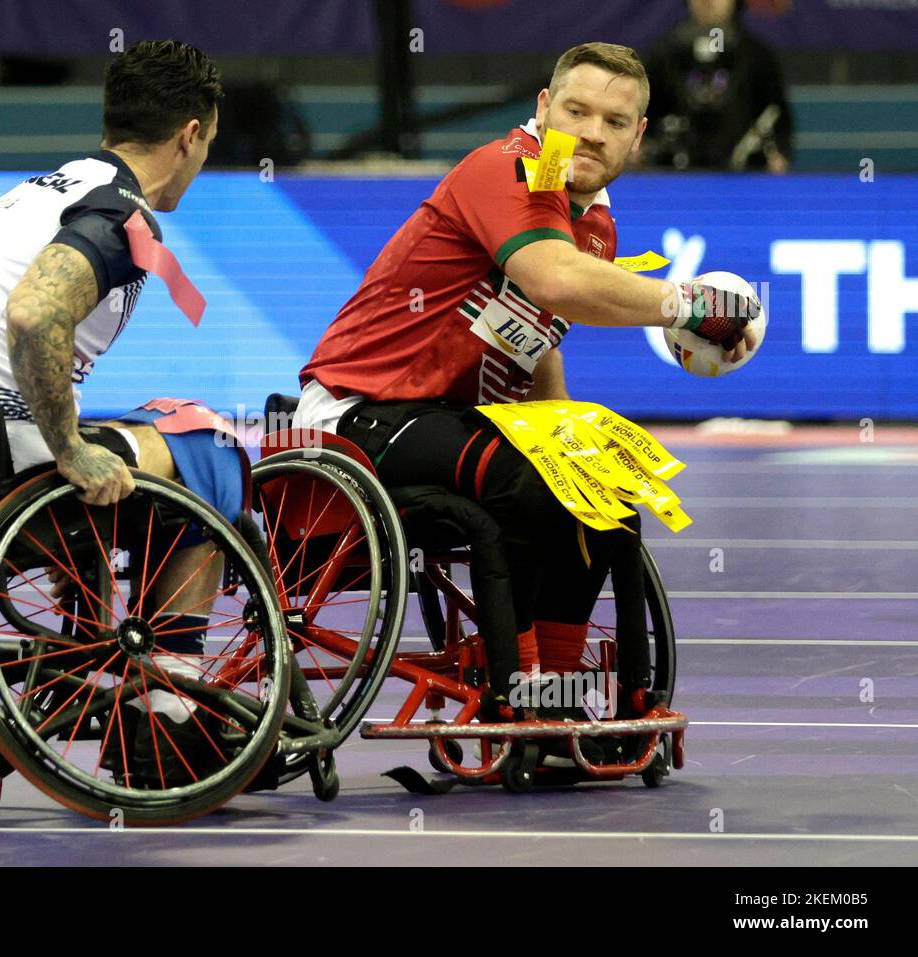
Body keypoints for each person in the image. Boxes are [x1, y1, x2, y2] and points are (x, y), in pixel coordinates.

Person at [296, 42, 760, 722]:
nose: (592, 132)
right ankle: (520, 691)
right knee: (531, 482)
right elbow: (554, 279)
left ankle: (561, 695)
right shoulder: (513, 167)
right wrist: (687, 303)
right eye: (576, 111)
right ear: (544, 109)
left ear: (639, 135)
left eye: (613, 120)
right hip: (364, 412)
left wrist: (572, 440)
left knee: (596, 484)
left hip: (454, 422)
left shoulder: (592, 219)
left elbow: (541, 333)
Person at [0, 39, 239, 779]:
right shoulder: (115, 211)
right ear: (190, 135)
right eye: (208, 143)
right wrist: (71, 450)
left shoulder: (43, 188)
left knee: (143, 432)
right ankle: (168, 704)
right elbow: (34, 315)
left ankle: (100, 648)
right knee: (211, 448)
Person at [643, 0, 793, 172]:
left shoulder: (757, 55)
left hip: (743, 172)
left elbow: (776, 113)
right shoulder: (665, 53)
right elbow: (645, 111)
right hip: (674, 172)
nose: (708, 2)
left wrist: (779, 154)